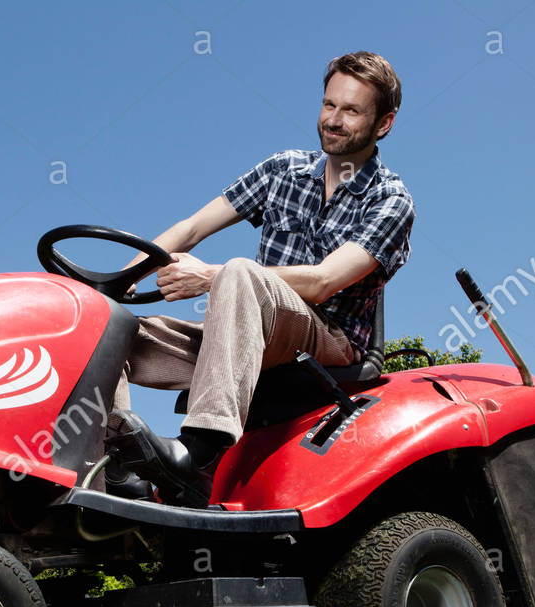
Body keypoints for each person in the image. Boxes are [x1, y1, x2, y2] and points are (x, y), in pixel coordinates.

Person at [107, 50, 415, 507]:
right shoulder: (282, 170)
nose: (333, 119)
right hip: (247, 331)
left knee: (239, 273)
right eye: (329, 105)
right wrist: (127, 274)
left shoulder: (391, 200)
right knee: (112, 332)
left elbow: (325, 280)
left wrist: (210, 277)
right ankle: (116, 468)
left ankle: (197, 453)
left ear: (383, 123)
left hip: (325, 341)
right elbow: (191, 229)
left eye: (351, 111)